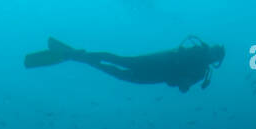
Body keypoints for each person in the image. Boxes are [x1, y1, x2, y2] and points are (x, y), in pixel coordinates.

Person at [24, 35, 225, 92]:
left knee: (120, 62)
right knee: (119, 69)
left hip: (157, 64)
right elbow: (182, 87)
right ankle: (77, 56)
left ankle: (77, 55)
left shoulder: (199, 60)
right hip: (157, 71)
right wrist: (187, 81)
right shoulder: (202, 69)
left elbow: (181, 83)